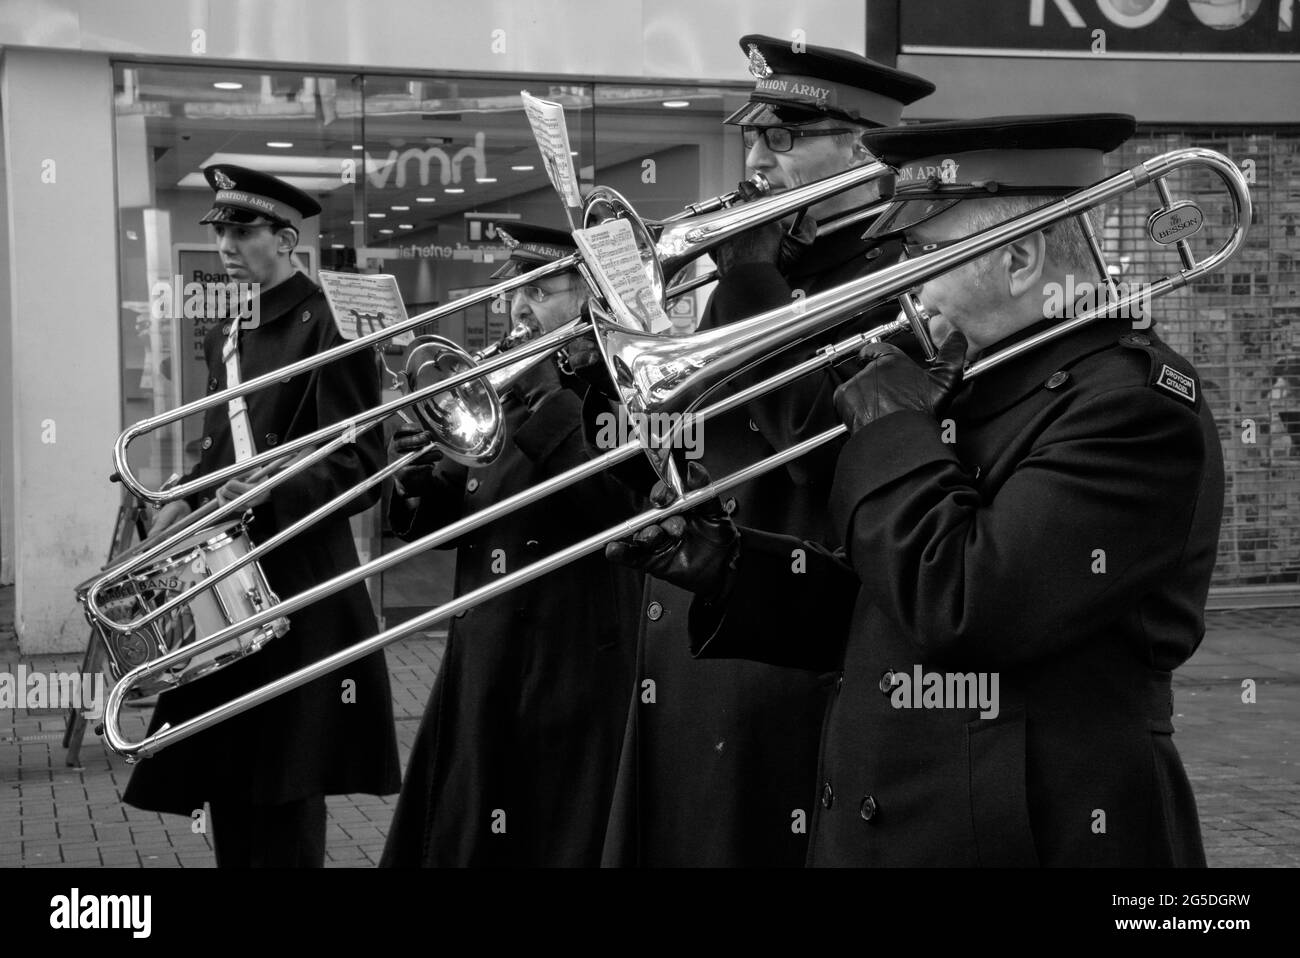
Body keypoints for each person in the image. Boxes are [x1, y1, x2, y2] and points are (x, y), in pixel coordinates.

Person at [611, 114, 1223, 867]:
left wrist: (891, 433)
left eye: (926, 253)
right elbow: (885, 611)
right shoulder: (981, 371)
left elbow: (966, 605)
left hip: (1031, 829)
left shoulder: (1134, 406)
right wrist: (731, 569)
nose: (913, 284)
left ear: (1022, 257)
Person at [571, 35, 936, 867]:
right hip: (699, 620)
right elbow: (682, 427)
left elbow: (823, 446)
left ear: (861, 145)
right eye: (754, 134)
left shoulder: (897, 268)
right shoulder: (764, 261)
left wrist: (746, 281)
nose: (757, 155)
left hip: (785, 626)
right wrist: (608, 356)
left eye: (784, 137)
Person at [123, 165, 401, 867]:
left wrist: (262, 494)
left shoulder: (330, 321)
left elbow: (362, 460)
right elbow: (221, 448)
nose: (225, 243)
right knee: (230, 778)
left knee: (286, 783)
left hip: (298, 580)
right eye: (219, 229)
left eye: (241, 230)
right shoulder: (232, 332)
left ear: (284, 237)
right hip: (231, 585)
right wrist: (182, 496)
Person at [379, 225, 640, 867]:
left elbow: (625, 513)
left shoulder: (627, 387)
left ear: (588, 296)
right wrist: (418, 484)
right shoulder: (507, 386)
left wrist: (553, 402)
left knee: (549, 832)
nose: (518, 308)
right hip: (488, 649)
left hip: (571, 658)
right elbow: (471, 492)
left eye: (539, 291)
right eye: (513, 292)